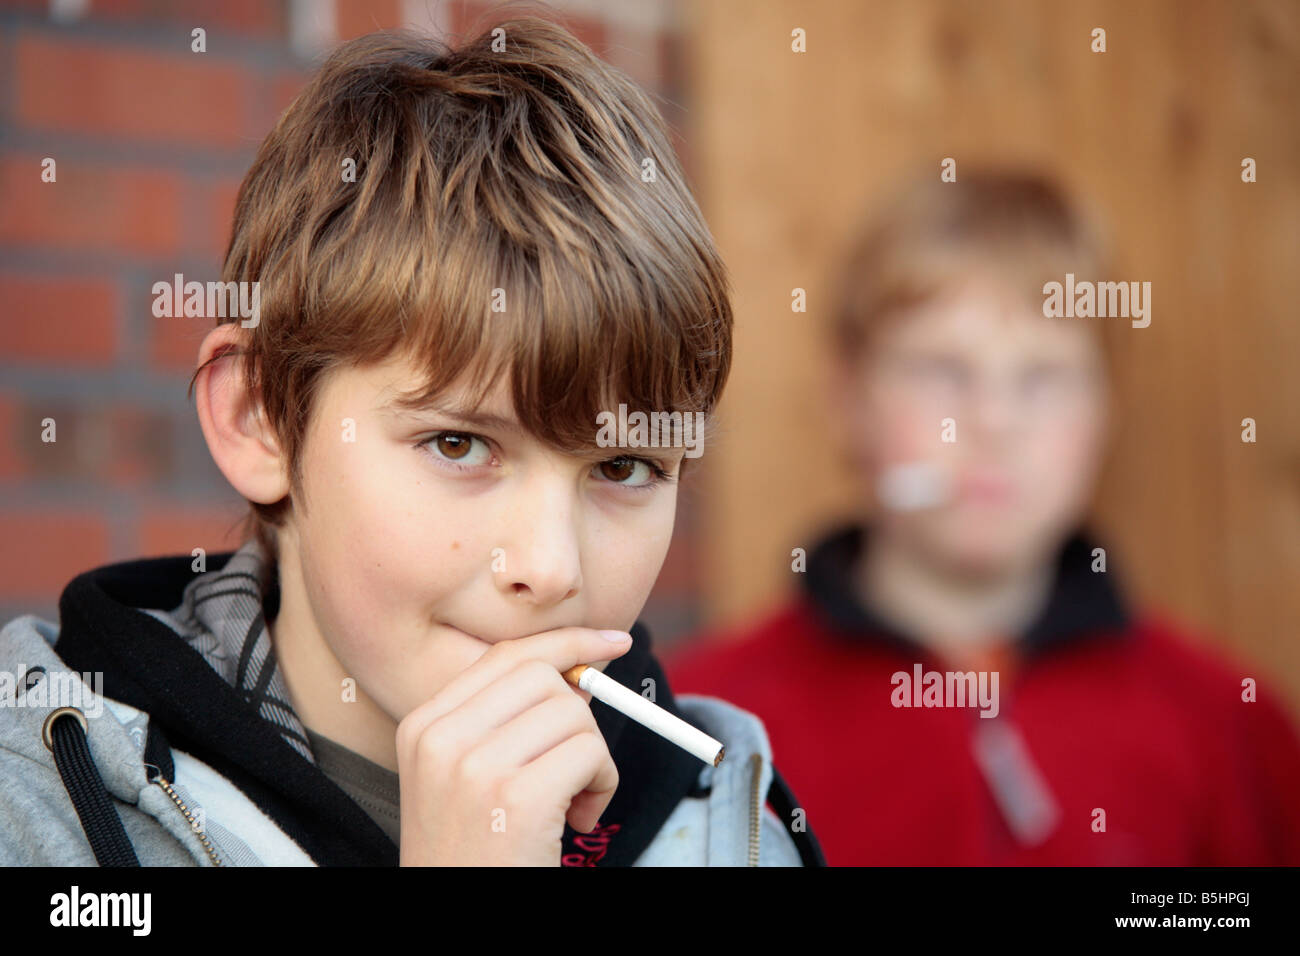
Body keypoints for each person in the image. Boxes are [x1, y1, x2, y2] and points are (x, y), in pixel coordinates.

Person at [0, 19, 822, 867]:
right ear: (260, 421)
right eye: (460, 446)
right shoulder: (40, 809)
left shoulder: (729, 829)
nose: (551, 569)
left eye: (623, 466)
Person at [665, 170, 1300, 865]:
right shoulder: (702, 723)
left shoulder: (1228, 729)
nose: (994, 422)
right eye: (942, 370)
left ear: (1106, 411)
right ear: (848, 400)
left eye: (1043, 377)